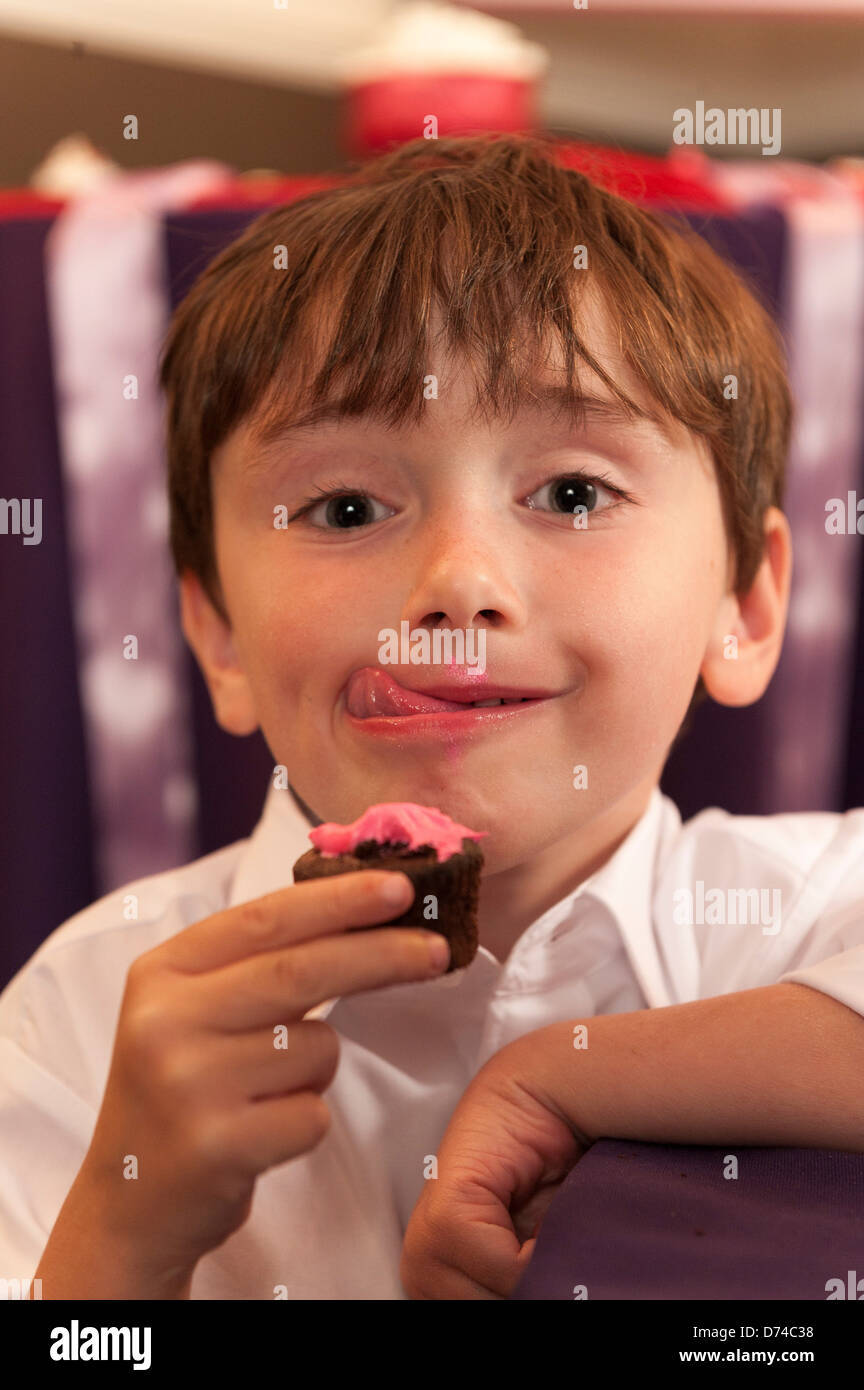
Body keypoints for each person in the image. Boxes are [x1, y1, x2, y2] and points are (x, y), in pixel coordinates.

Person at [2, 133, 863, 1302]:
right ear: (215, 635)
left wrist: (566, 1079)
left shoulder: (818, 906)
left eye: (571, 493)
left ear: (747, 605)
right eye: (345, 505)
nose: (458, 582)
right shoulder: (83, 1016)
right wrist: (120, 1235)